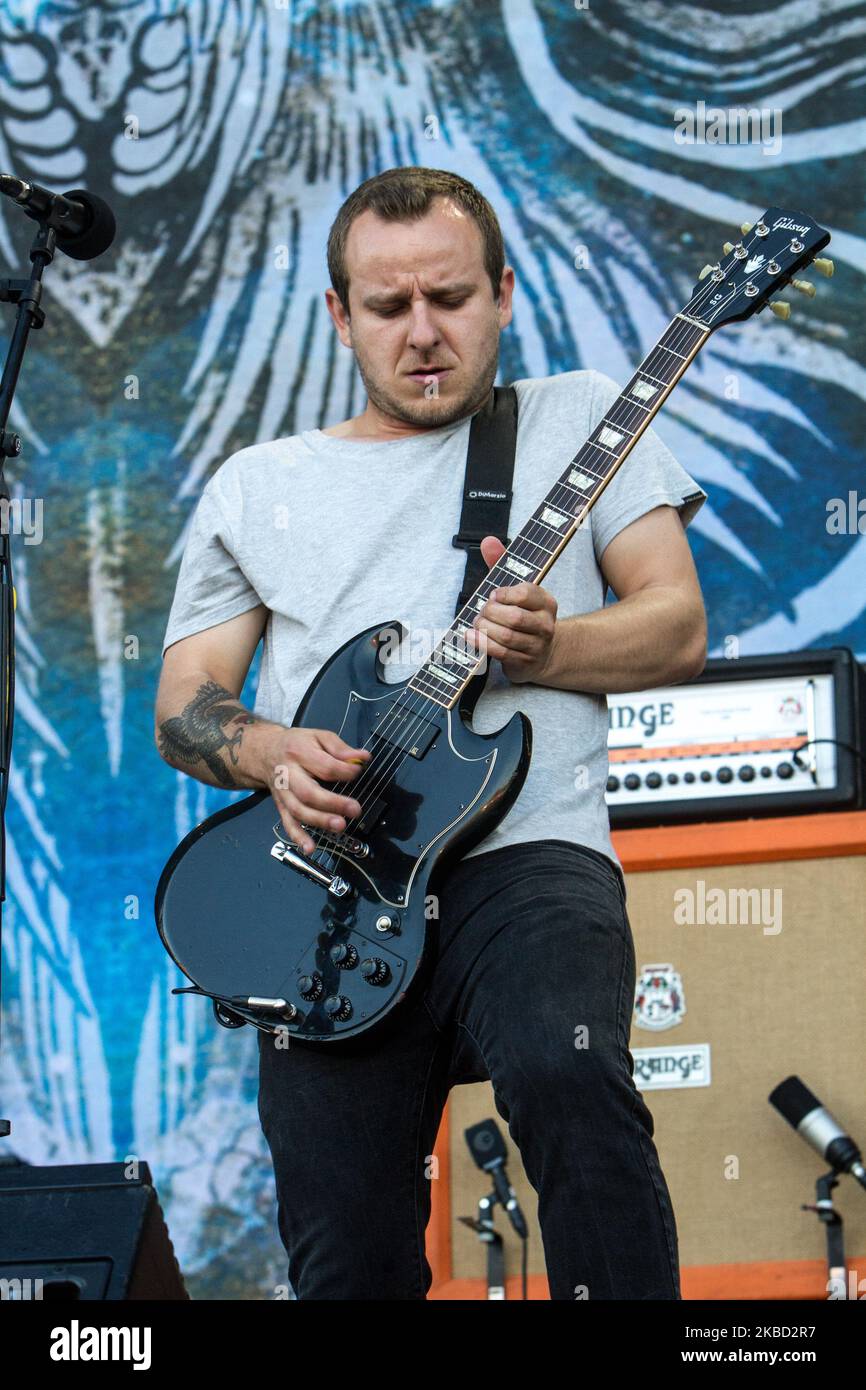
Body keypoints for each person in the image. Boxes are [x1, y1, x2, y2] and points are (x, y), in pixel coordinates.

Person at [155, 166, 708, 1300]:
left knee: (572, 1083)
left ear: (502, 294)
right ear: (338, 315)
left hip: (526, 853)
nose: (422, 333)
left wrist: (551, 650)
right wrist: (268, 753)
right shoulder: (258, 486)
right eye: (388, 305)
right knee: (344, 1239)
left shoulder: (584, 418)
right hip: (329, 879)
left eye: (450, 298)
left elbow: (674, 626)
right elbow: (184, 700)